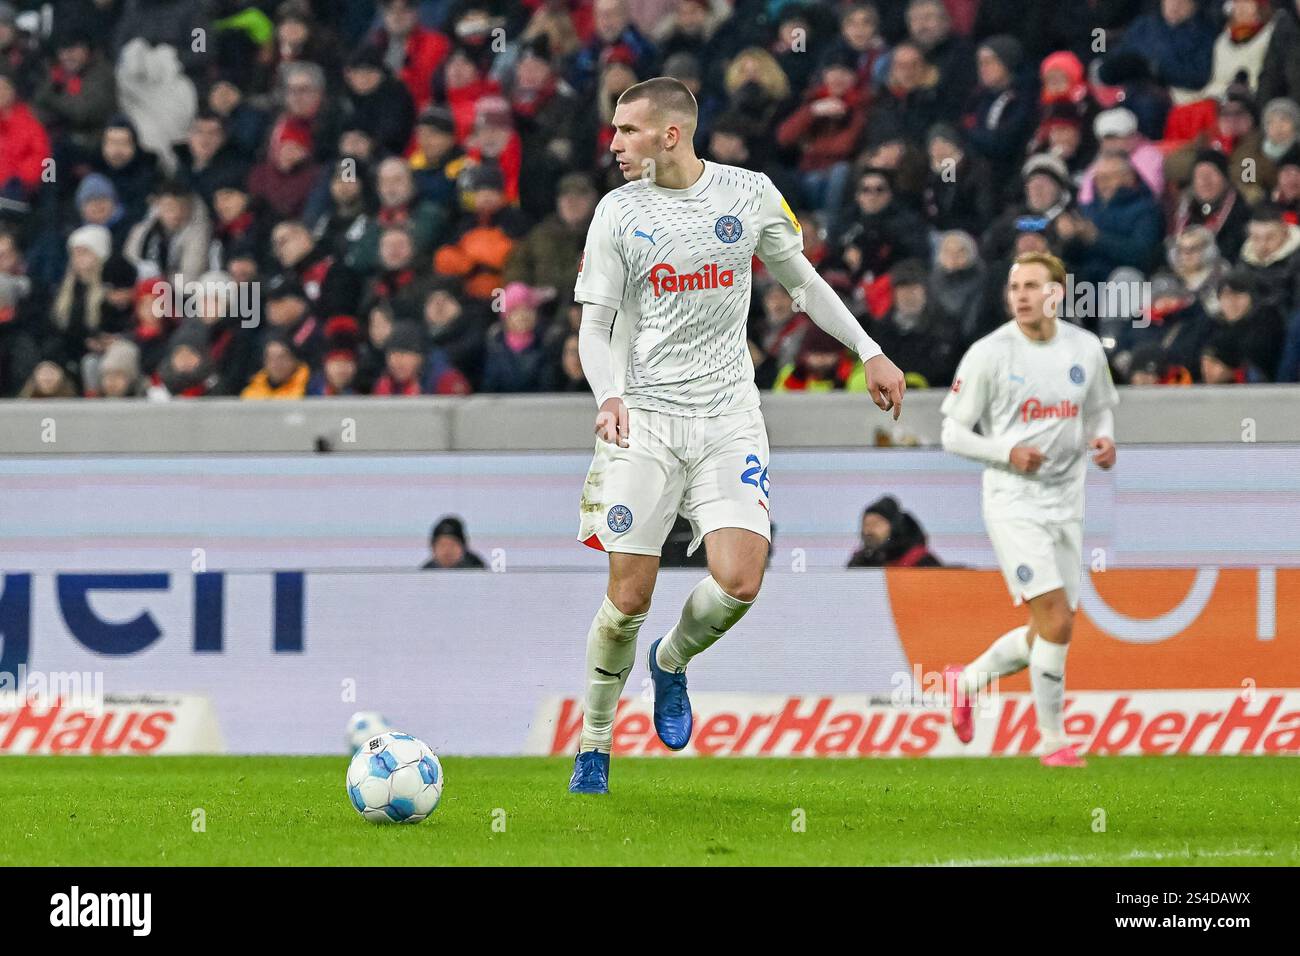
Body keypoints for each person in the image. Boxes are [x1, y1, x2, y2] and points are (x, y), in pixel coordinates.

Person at [567, 76, 904, 794]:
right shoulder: (617, 212)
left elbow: (803, 283)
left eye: (627, 130)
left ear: (670, 135)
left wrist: (868, 349)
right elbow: (594, 327)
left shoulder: (748, 194)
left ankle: (670, 661)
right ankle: (594, 742)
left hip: (728, 417)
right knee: (628, 600)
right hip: (644, 420)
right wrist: (609, 394)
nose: (614, 142)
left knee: (741, 581)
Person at [940, 251, 1118, 768]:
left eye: (1032, 286)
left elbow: (1099, 409)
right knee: (1057, 619)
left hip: (1068, 501)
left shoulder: (1084, 348)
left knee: (1050, 627)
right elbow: (952, 433)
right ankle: (1053, 741)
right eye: (1015, 286)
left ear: (1056, 294)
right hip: (1013, 502)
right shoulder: (989, 354)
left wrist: (1104, 441)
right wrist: (1007, 452)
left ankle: (965, 682)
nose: (1020, 295)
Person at [846, 495, 943, 567]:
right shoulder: (859, 563)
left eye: (876, 524)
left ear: (894, 527)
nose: (868, 530)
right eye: (866, 524)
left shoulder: (922, 562)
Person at [421, 516, 486, 569]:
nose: (447, 550)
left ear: (463, 547)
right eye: (442, 545)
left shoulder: (476, 569)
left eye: (452, 545)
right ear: (433, 547)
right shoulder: (427, 572)